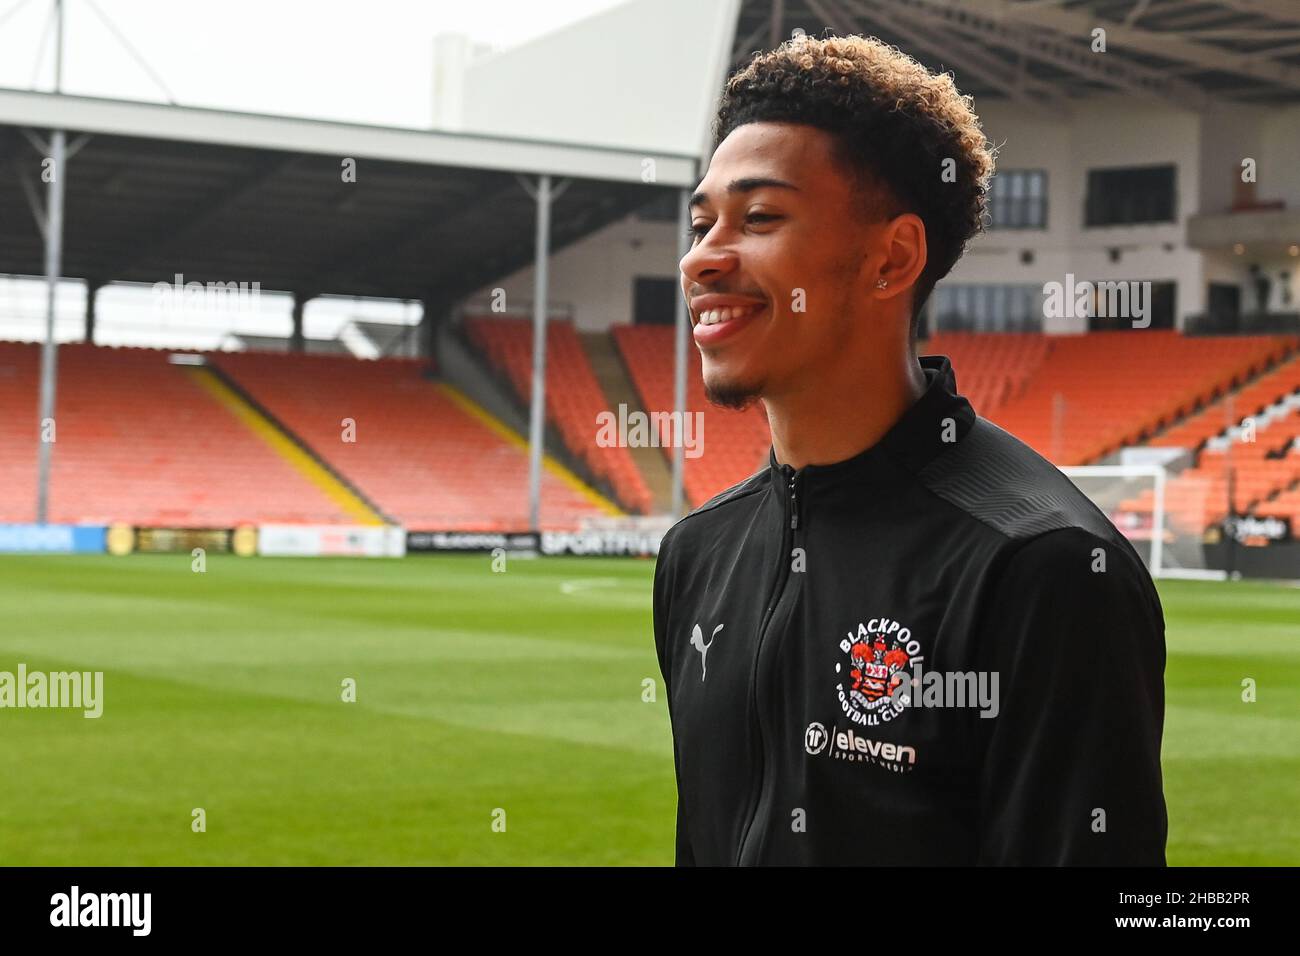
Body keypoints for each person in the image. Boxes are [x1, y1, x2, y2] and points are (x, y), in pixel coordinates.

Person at [652, 33, 1168, 866]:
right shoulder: (696, 554)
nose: (702, 257)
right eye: (703, 221)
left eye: (760, 218)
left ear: (891, 259)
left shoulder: (1044, 567)